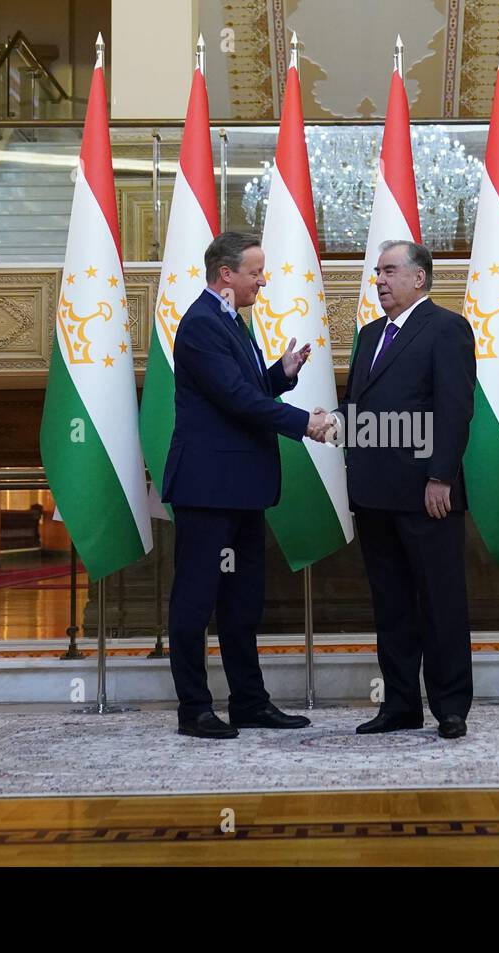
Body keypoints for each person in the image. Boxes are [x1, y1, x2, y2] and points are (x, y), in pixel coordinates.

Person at [160, 231, 334, 739]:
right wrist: (305, 423)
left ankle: (249, 703)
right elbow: (235, 399)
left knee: (242, 602)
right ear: (226, 275)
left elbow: (245, 390)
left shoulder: (231, 320)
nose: (263, 279)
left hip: (242, 488)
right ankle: (194, 708)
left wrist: (280, 374)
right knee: (196, 600)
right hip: (208, 489)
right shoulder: (200, 325)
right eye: (256, 271)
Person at [324, 240, 476, 739]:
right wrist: (328, 424)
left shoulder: (447, 329)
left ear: (419, 279)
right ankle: (400, 705)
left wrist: (441, 477)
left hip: (425, 494)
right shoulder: (368, 334)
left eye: (389, 271)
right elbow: (364, 410)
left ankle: (451, 707)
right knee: (391, 606)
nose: (380, 281)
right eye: (377, 273)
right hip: (373, 496)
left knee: (440, 602)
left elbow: (455, 409)